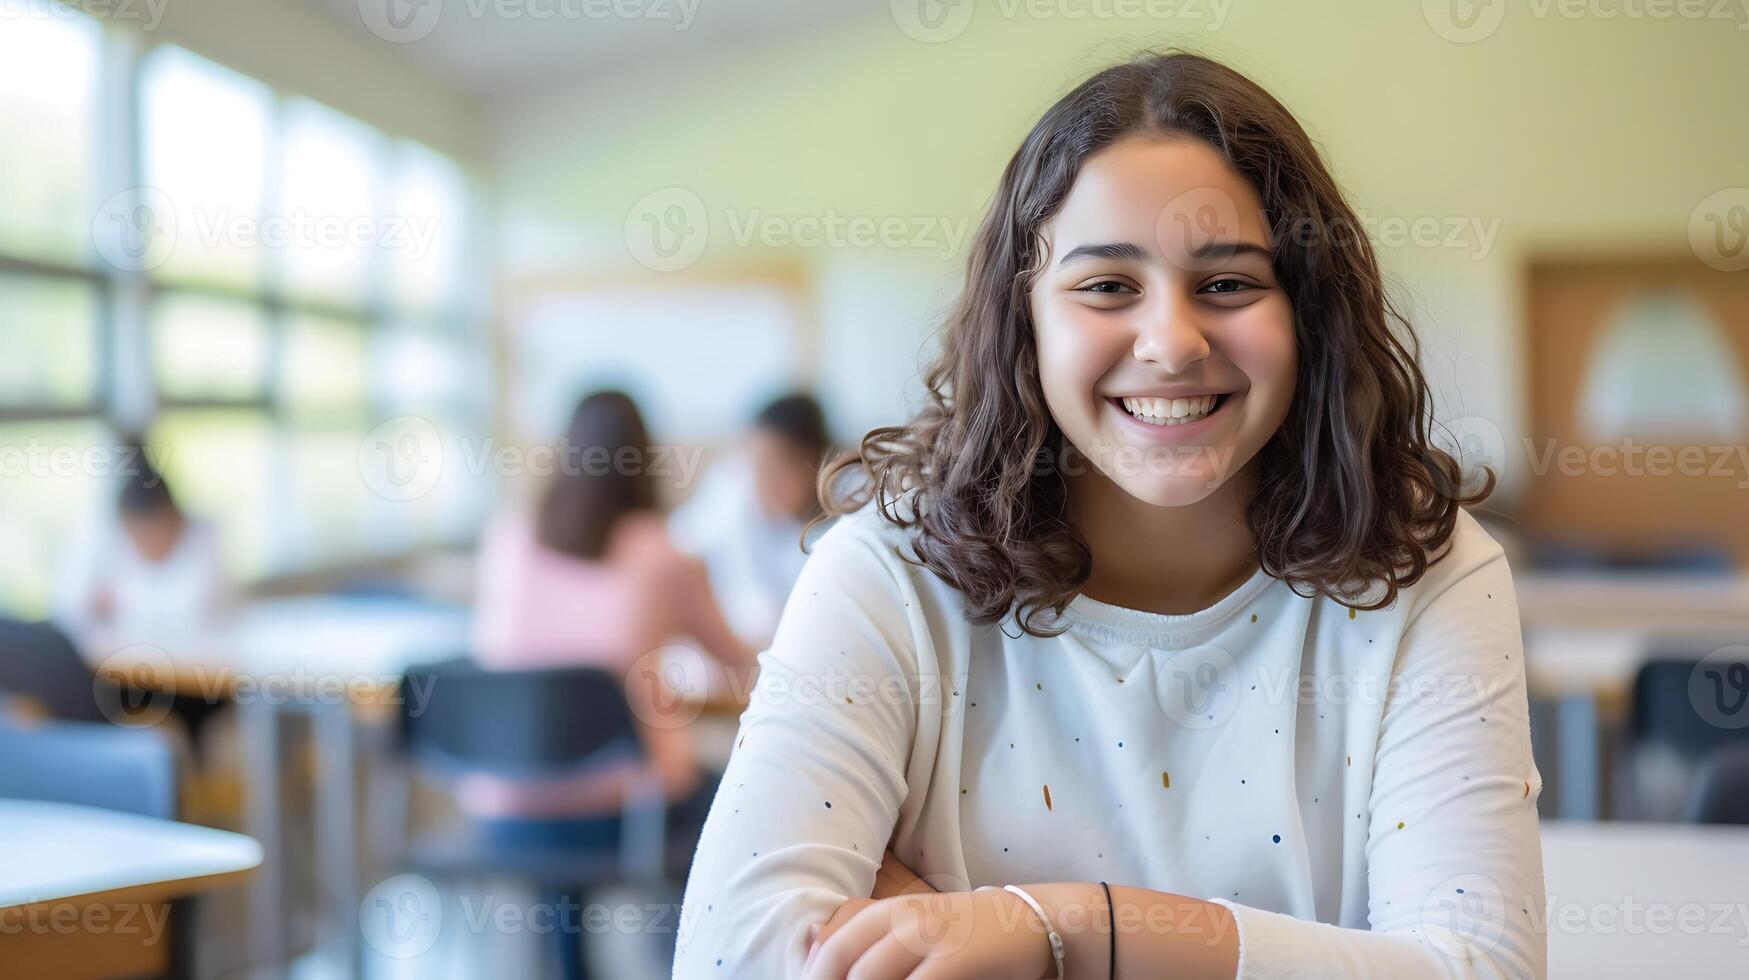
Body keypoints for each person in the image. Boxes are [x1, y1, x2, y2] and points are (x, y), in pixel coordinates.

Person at [673, 53, 1545, 979]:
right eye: (1105, 287)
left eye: (1228, 283)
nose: (1170, 342)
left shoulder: (1427, 572)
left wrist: (1056, 929)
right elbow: (734, 958)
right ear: (1026, 319)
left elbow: (1481, 970)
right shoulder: (889, 572)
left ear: (1309, 316)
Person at [467, 390, 757, 823]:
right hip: (629, 815)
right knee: (747, 804)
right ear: (644, 459)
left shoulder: (506, 539)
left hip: (506, 810)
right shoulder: (663, 553)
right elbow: (741, 665)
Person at [668, 392, 834, 647]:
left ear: (815, 463)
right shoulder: (732, 489)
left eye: (777, 468)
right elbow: (682, 543)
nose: (763, 482)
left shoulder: (835, 531)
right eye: (757, 465)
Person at [53, 438, 232, 649]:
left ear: (174, 519)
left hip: (196, 659)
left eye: (155, 534)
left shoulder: (204, 536)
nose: (148, 545)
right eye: (138, 537)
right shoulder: (100, 537)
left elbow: (197, 609)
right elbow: (70, 608)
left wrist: (122, 600)